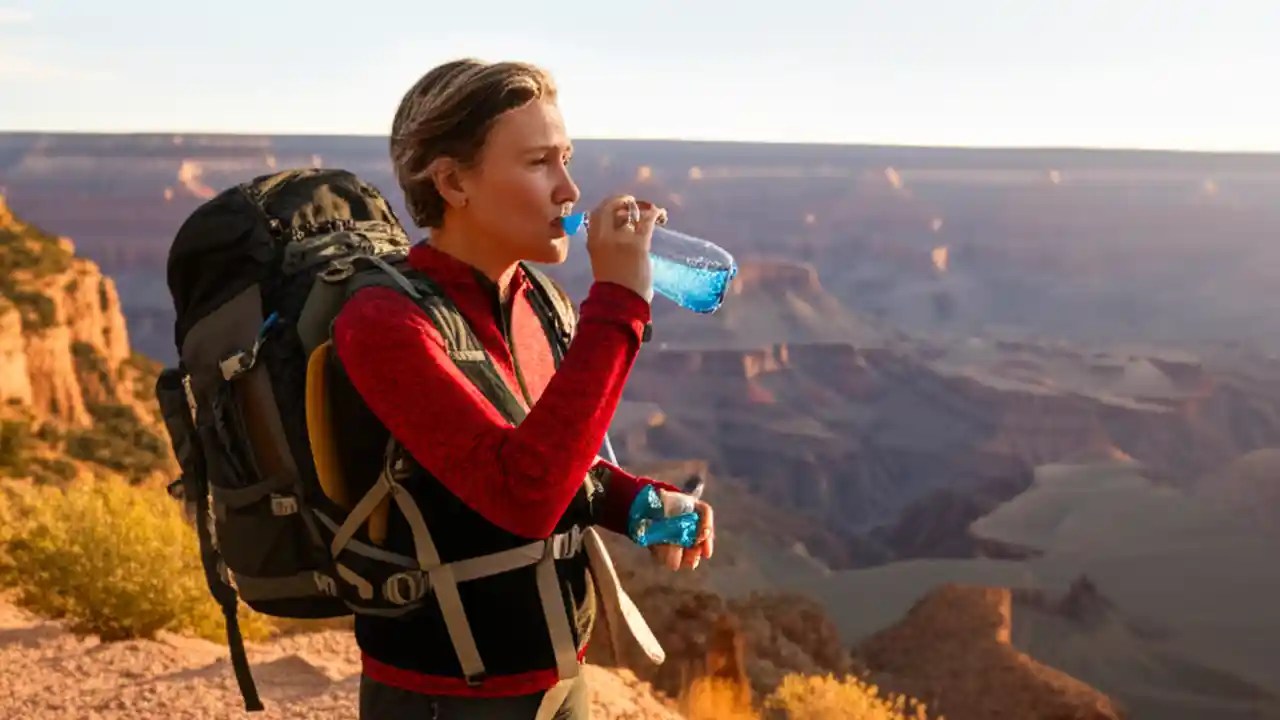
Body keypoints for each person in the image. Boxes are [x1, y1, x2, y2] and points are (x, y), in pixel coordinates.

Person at [331, 58, 716, 719]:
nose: (569, 190)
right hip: (447, 697)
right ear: (453, 182)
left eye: (566, 159)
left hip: (560, 674)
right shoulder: (386, 322)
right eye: (539, 163)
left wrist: (636, 504)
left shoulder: (539, 300)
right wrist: (621, 302)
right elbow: (523, 496)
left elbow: (560, 457)